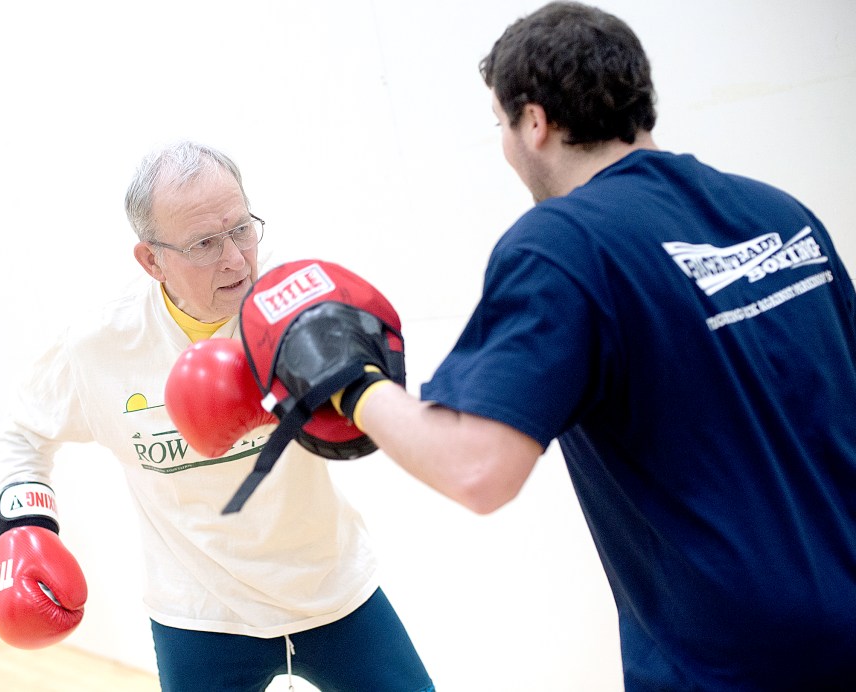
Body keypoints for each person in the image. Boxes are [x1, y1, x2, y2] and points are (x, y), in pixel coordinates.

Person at [275, 3, 856, 689]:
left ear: (534, 122)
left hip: (742, 666)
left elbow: (476, 468)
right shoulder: (776, 211)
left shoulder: (563, 245)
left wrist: (351, 382)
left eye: (500, 124)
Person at [0, 140, 434, 692]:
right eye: (203, 244)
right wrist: (25, 526)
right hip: (198, 617)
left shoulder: (292, 307)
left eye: (241, 229)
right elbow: (24, 430)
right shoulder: (100, 345)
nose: (235, 259)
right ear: (152, 260)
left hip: (331, 591)